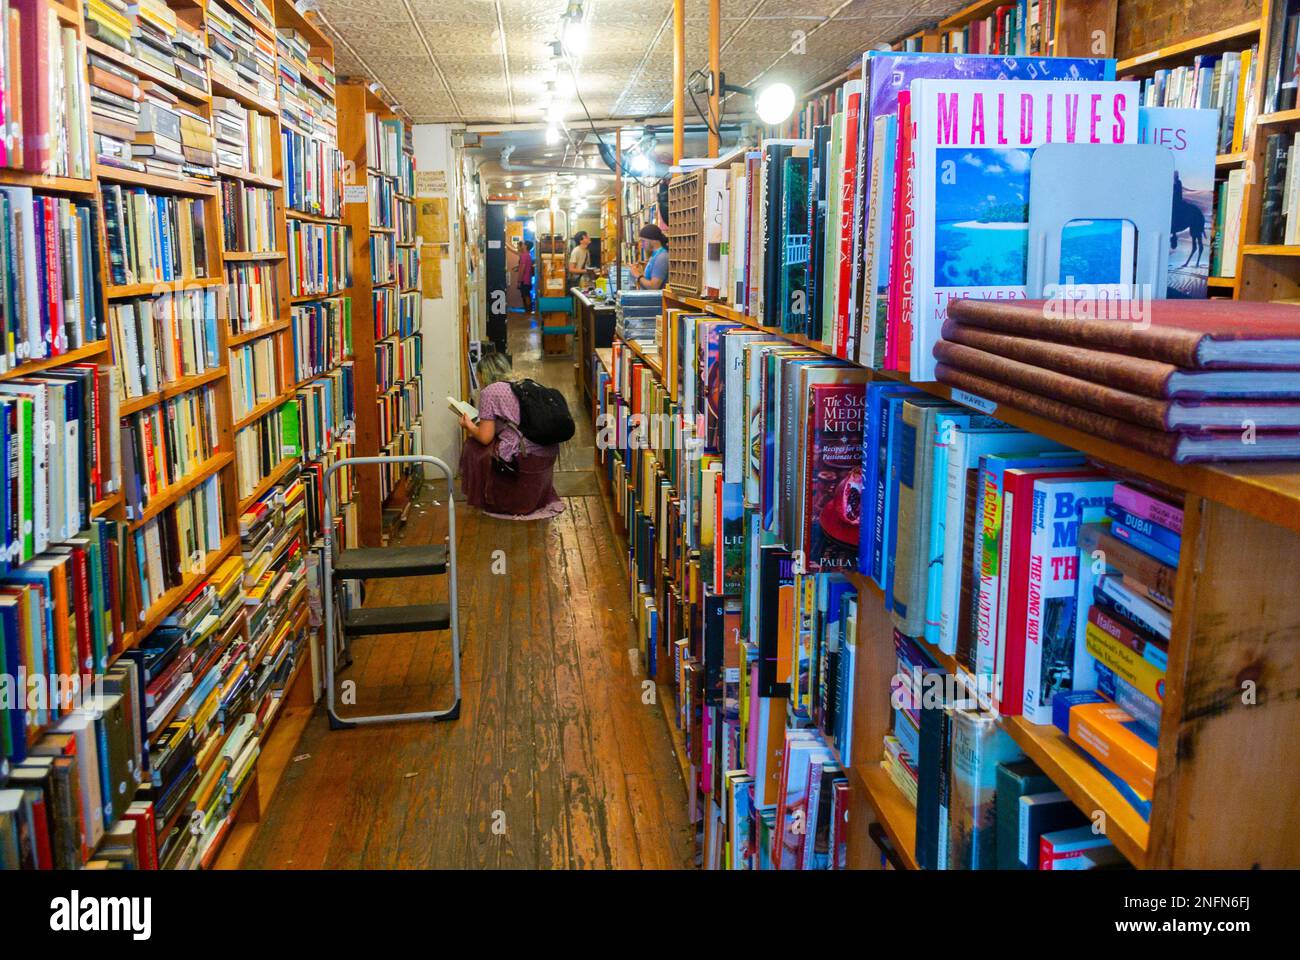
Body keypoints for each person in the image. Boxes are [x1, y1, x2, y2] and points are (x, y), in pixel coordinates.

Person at [457, 351, 564, 520]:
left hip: (525, 456)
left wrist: (468, 425)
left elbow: (485, 437)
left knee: (474, 446)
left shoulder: (489, 392)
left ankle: (493, 498)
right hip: (546, 452)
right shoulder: (519, 384)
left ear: (483, 374)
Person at [630, 223, 669, 290]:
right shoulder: (655, 255)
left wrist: (637, 275)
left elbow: (654, 286)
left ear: (653, 240)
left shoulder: (661, 257)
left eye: (643, 241)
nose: (641, 245)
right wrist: (640, 273)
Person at [516, 239, 534, 312]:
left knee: (526, 295)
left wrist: (519, 280)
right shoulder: (528, 255)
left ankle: (528, 310)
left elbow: (523, 269)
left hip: (524, 279)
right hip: (527, 279)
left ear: (526, 246)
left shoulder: (524, 256)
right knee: (526, 294)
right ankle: (528, 310)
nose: (522, 245)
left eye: (523, 244)